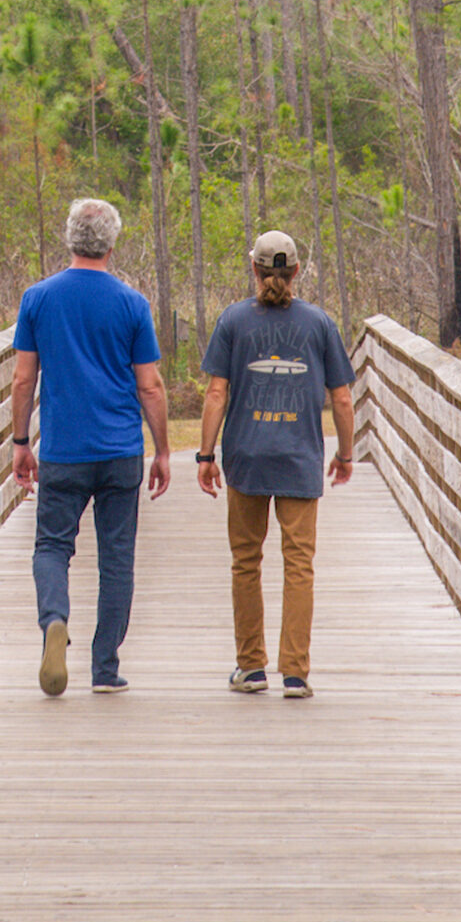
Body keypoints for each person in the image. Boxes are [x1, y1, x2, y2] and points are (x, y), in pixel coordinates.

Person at [10, 197, 171, 697]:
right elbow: (150, 386)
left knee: (52, 547)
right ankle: (105, 669)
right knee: (116, 559)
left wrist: (21, 442)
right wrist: (163, 450)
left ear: (69, 237)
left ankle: (54, 620)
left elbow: (22, 380)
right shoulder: (131, 304)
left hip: (63, 449)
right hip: (120, 448)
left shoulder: (38, 298)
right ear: (113, 242)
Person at [194, 229, 355, 700]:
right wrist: (345, 454)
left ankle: (250, 667)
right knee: (298, 563)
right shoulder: (320, 324)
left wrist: (205, 455)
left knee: (246, 561)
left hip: (245, 456)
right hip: (299, 457)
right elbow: (342, 399)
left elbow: (216, 392)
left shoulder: (233, 322)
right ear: (298, 271)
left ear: (255, 270)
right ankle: (296, 672)